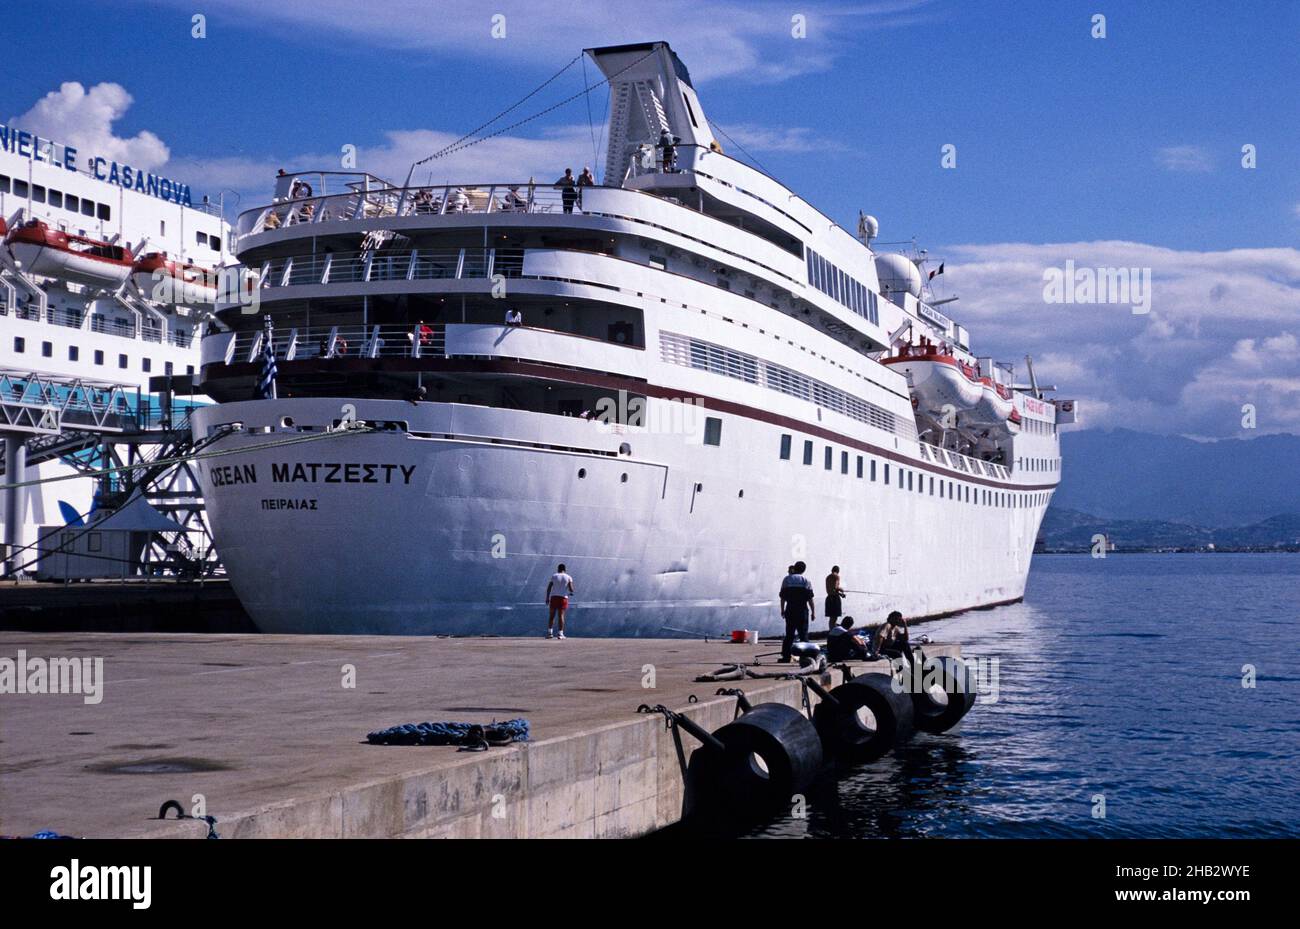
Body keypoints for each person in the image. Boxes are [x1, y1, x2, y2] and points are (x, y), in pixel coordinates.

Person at [777, 561, 815, 663]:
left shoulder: (787, 580)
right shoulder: (806, 581)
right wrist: (813, 612)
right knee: (803, 635)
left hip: (790, 609)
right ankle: (805, 657)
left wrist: (782, 610)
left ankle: (786, 657)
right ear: (803, 570)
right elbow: (810, 599)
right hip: (802, 610)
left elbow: (782, 597)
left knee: (789, 635)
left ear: (794, 568)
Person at [545, 563, 575, 639]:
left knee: (552, 616)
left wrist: (547, 598)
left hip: (554, 597)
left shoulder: (554, 576)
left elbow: (549, 588)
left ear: (558, 569)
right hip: (563, 598)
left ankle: (549, 633)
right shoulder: (568, 577)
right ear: (565, 570)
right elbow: (571, 589)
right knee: (561, 616)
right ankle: (560, 634)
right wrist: (571, 592)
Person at [825, 565, 846, 630]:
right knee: (834, 618)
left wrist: (840, 594)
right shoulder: (836, 576)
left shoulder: (828, 577)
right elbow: (836, 587)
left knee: (831, 618)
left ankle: (831, 631)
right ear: (838, 571)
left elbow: (832, 589)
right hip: (834, 599)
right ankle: (833, 633)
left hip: (829, 598)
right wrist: (841, 589)